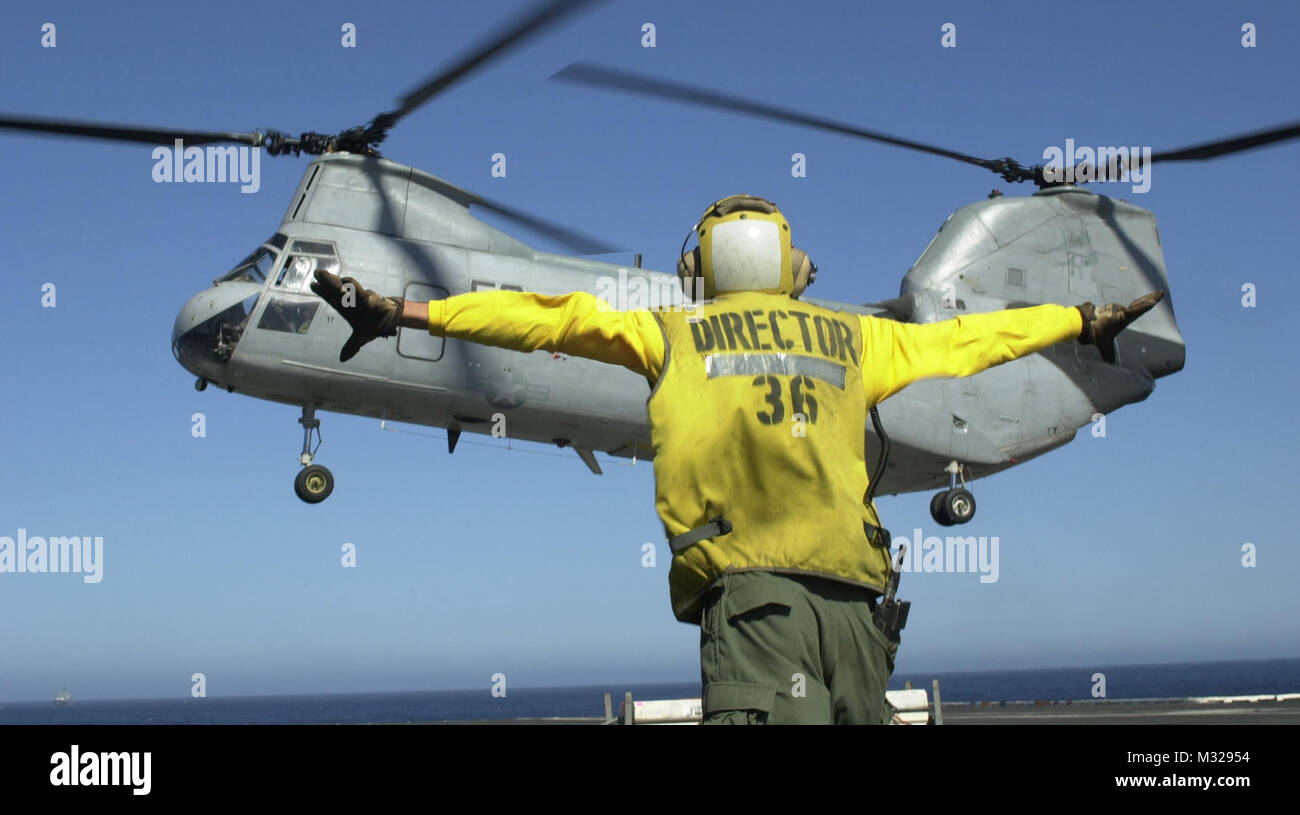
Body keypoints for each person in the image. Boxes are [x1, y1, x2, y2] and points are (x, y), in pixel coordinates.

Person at [311, 194, 1162, 724]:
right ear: (790, 266)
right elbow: (972, 340)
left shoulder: (669, 330)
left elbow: (543, 317)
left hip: (762, 605)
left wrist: (407, 314)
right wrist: (1077, 321)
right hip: (864, 610)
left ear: (701, 265)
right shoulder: (857, 338)